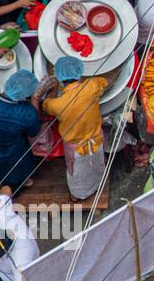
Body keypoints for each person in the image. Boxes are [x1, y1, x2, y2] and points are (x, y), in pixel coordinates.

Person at [33, 57, 109, 200]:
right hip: (96, 141)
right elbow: (104, 82)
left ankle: (78, 195)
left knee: (78, 173)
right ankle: (97, 184)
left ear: (60, 78)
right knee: (96, 164)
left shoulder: (57, 105)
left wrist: (51, 89)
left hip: (76, 149)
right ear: (79, 73)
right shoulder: (91, 86)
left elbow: (45, 105)